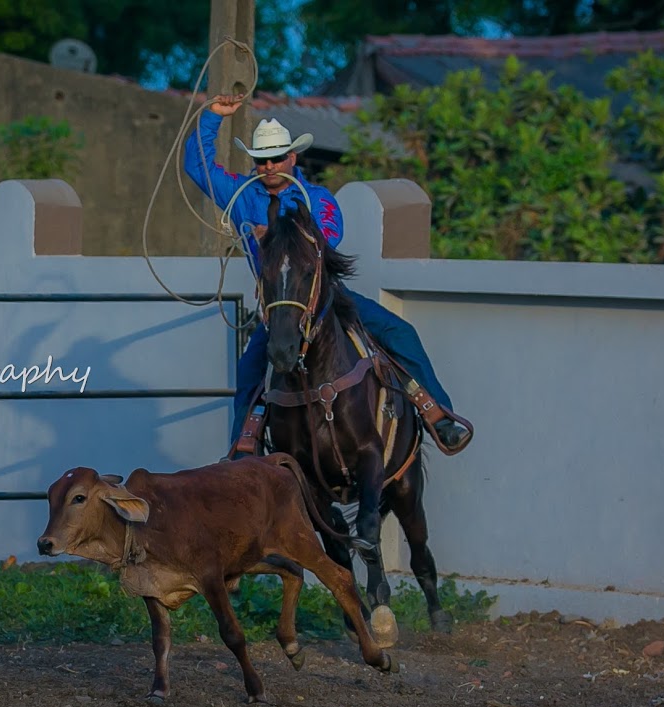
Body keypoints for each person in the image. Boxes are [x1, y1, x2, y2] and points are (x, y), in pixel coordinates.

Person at [182, 93, 473, 458]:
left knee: (399, 333)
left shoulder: (317, 198)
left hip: (326, 299)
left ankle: (439, 416)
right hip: (279, 306)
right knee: (250, 371)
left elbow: (328, 237)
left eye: (276, 158)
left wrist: (273, 236)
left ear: (292, 156)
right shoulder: (242, 195)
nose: (270, 166)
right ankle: (244, 451)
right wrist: (213, 116)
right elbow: (198, 165)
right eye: (262, 160)